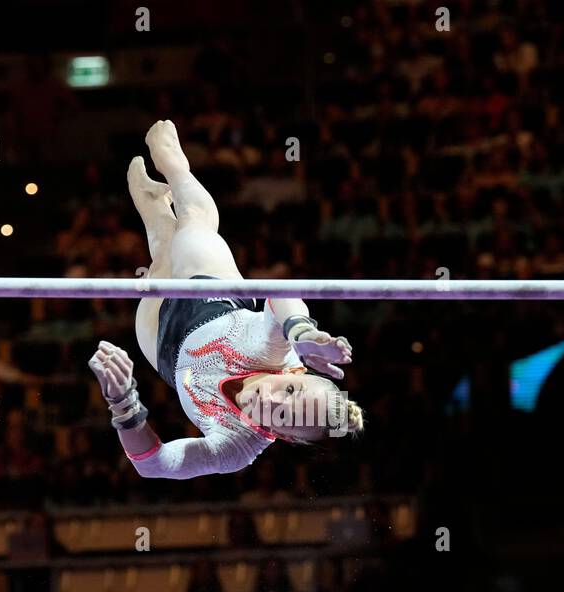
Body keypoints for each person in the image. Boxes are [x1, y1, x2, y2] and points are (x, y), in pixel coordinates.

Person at [87, 121, 363, 480]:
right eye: (291, 390)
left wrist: (123, 404)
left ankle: (155, 211)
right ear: (298, 373)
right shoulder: (278, 354)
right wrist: (302, 333)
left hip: (161, 341)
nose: (273, 400)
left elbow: (154, 466)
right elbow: (281, 294)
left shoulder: (237, 446)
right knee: (194, 225)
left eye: (284, 416)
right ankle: (174, 167)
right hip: (213, 298)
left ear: (286, 436)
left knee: (164, 256)